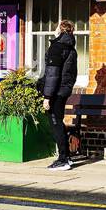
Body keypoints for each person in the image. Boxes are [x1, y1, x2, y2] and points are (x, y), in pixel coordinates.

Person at [37, 19, 78, 171]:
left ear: (60, 30)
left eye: (56, 28)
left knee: (56, 124)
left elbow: (52, 75)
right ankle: (66, 157)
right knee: (58, 122)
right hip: (64, 91)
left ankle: (63, 160)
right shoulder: (72, 49)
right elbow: (72, 74)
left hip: (55, 92)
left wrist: (47, 97)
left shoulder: (57, 48)